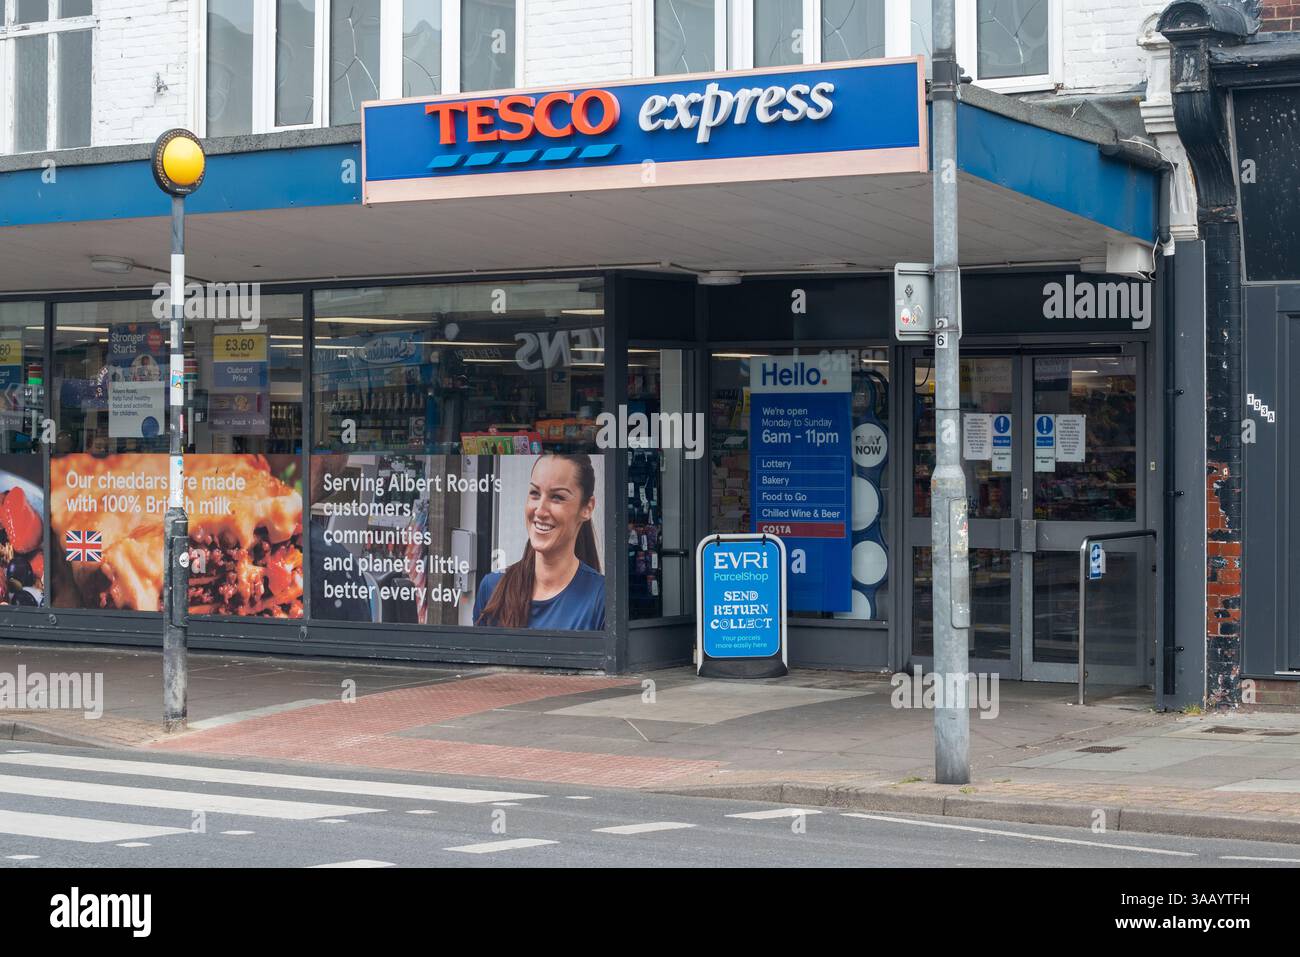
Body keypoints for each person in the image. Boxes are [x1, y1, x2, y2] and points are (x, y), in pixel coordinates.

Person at [474, 453, 604, 630]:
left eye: (557, 497)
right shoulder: (492, 588)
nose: (540, 511)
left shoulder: (602, 597)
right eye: (535, 493)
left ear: (587, 508)